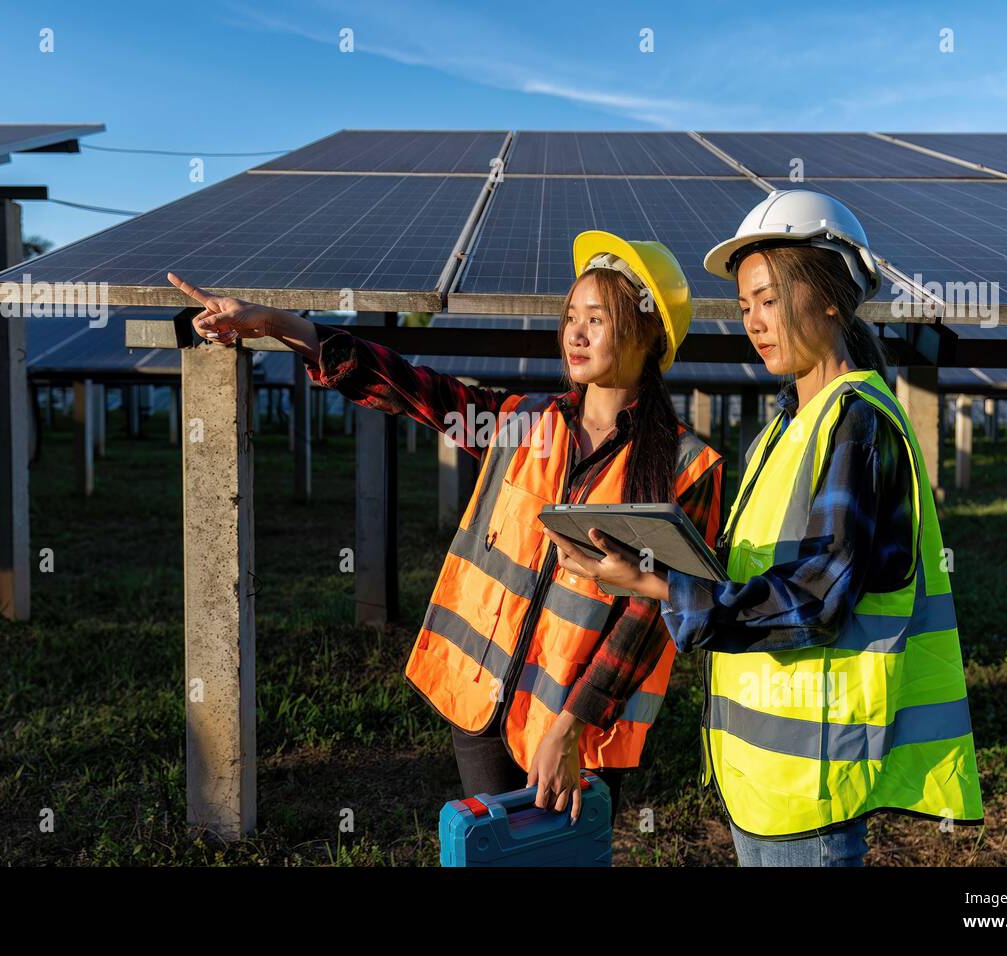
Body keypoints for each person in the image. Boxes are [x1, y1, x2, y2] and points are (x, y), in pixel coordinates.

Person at [166, 228, 723, 827]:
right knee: (493, 854)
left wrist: (572, 725)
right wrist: (280, 324)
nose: (575, 334)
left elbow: (647, 620)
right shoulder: (520, 424)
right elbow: (414, 389)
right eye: (570, 317)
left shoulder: (686, 467)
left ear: (646, 331)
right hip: (479, 699)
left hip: (576, 726)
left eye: (597, 317)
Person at [542, 190, 984, 865]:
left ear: (831, 296)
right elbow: (745, 571)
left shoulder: (856, 423)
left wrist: (655, 586)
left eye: (769, 299)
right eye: (745, 305)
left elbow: (816, 595)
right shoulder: (784, 427)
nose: (754, 321)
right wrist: (649, 556)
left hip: (813, 782)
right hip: (760, 778)